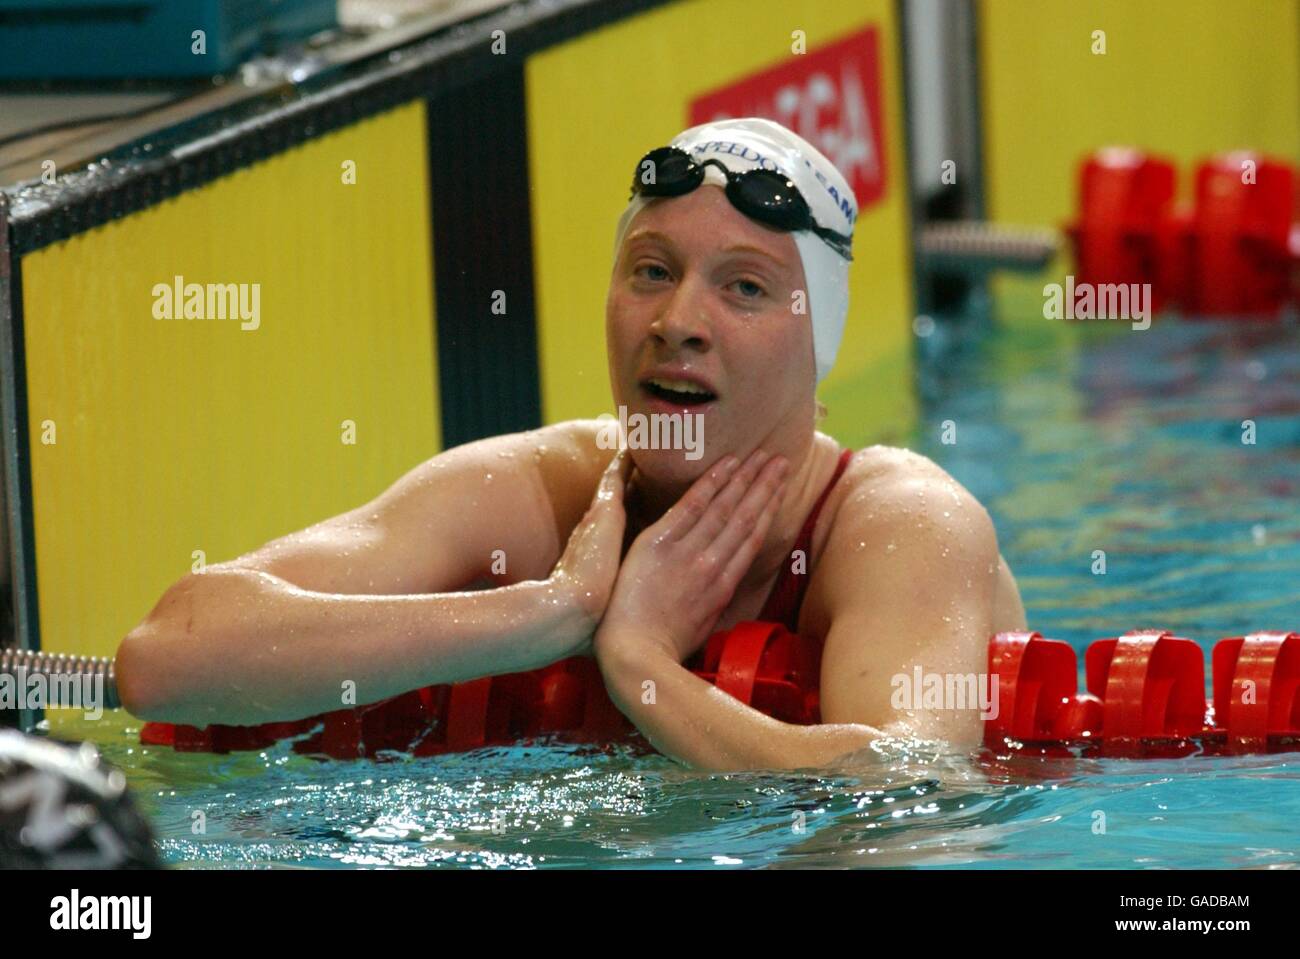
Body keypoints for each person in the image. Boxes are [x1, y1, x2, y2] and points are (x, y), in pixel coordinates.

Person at [115, 118, 1026, 771]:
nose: (677, 323)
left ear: (816, 340)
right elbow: (163, 659)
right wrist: (544, 614)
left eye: (743, 288)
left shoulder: (895, 524)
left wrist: (638, 666)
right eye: (652, 271)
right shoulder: (538, 494)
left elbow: (914, 795)